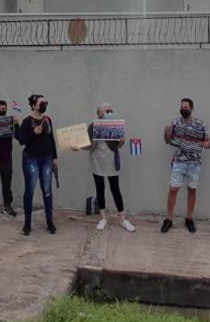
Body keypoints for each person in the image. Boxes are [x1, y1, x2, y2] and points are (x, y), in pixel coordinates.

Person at [72, 102, 135, 232]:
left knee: (115, 188)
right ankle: (103, 217)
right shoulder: (93, 126)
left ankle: (123, 218)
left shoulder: (115, 126)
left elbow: (119, 144)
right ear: (99, 113)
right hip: (97, 158)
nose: (109, 112)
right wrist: (78, 147)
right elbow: (87, 144)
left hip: (111, 158)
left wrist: (121, 142)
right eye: (107, 111)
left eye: (111, 110)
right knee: (100, 187)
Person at [161, 98, 210, 234]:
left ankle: (189, 218)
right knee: (173, 189)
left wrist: (207, 145)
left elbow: (208, 142)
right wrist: (166, 132)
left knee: (192, 189)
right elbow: (167, 141)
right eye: (181, 107)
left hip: (194, 163)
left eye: (186, 107)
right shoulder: (175, 123)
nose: (183, 109)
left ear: (192, 108)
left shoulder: (200, 124)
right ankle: (168, 219)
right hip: (179, 161)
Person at [16, 94, 59, 236]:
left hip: (46, 158)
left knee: (47, 190)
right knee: (30, 190)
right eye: (41, 103)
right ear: (34, 105)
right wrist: (34, 133)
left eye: (45, 102)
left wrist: (55, 157)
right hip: (31, 159)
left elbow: (51, 139)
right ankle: (27, 222)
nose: (44, 104)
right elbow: (21, 140)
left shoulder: (48, 120)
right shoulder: (27, 121)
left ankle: (49, 221)